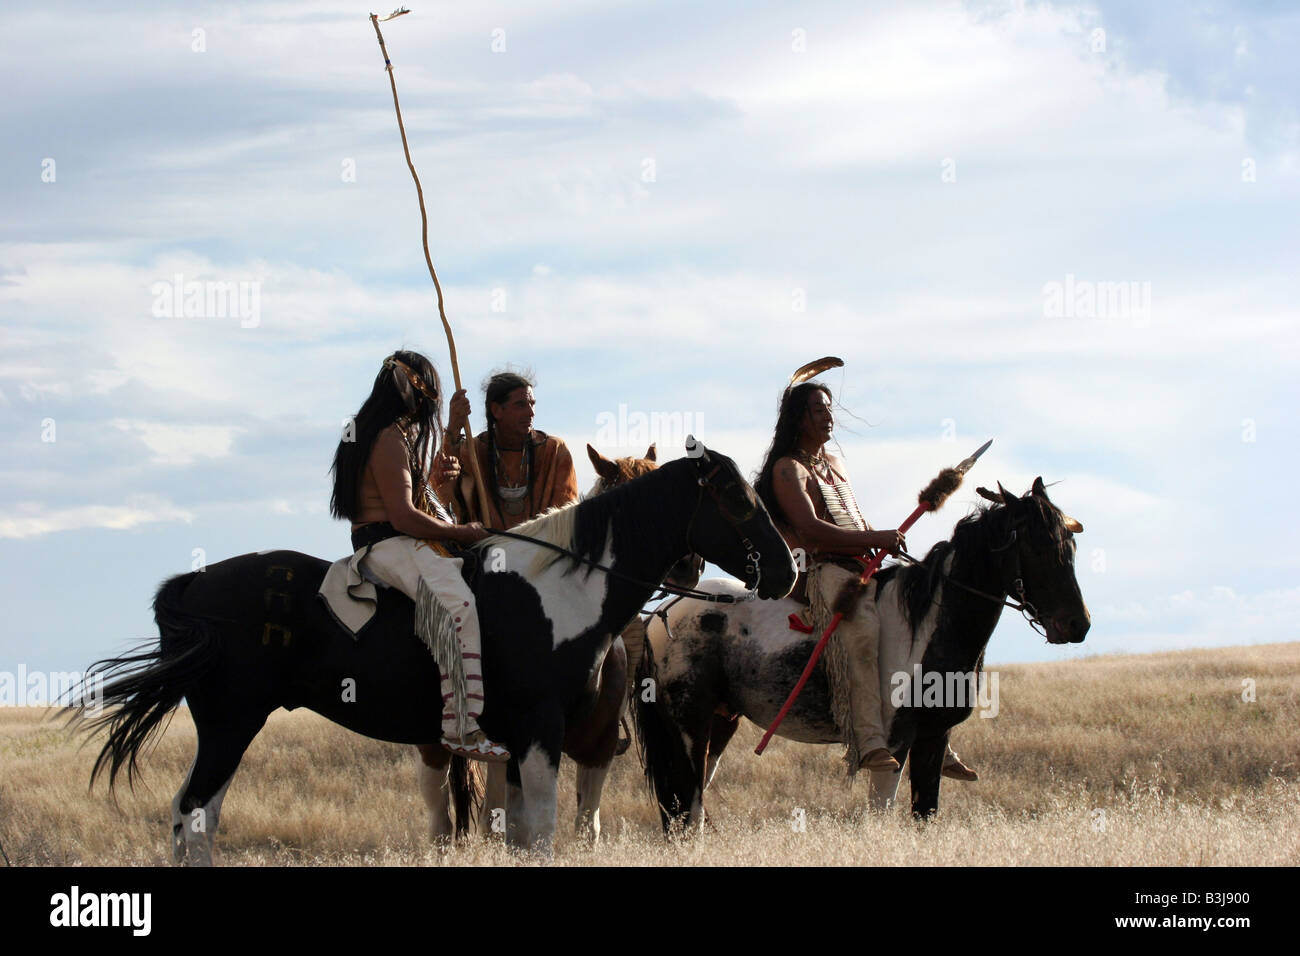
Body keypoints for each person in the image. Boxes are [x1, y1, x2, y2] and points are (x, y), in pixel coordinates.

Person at [755, 382, 979, 781]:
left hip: (867, 567)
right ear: (798, 418)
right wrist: (876, 538)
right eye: (819, 411)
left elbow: (851, 517)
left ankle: (936, 738)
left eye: (829, 409)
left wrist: (881, 539)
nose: (829, 418)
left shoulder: (836, 462)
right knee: (861, 636)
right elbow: (812, 531)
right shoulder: (787, 469)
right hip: (827, 572)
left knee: (921, 630)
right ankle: (872, 742)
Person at [329, 350, 507, 762]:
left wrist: (453, 431)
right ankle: (462, 727)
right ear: (415, 390)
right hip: (391, 545)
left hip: (388, 543)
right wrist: (463, 531)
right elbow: (406, 517)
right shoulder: (389, 436)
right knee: (457, 607)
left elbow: (412, 498)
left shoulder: (374, 432)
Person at [445, 370, 579, 529]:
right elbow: (444, 491)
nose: (531, 412)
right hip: (483, 549)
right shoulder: (471, 452)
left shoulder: (554, 450)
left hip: (543, 551)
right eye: (521, 405)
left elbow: (566, 517)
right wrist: (453, 428)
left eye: (532, 403)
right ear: (496, 410)